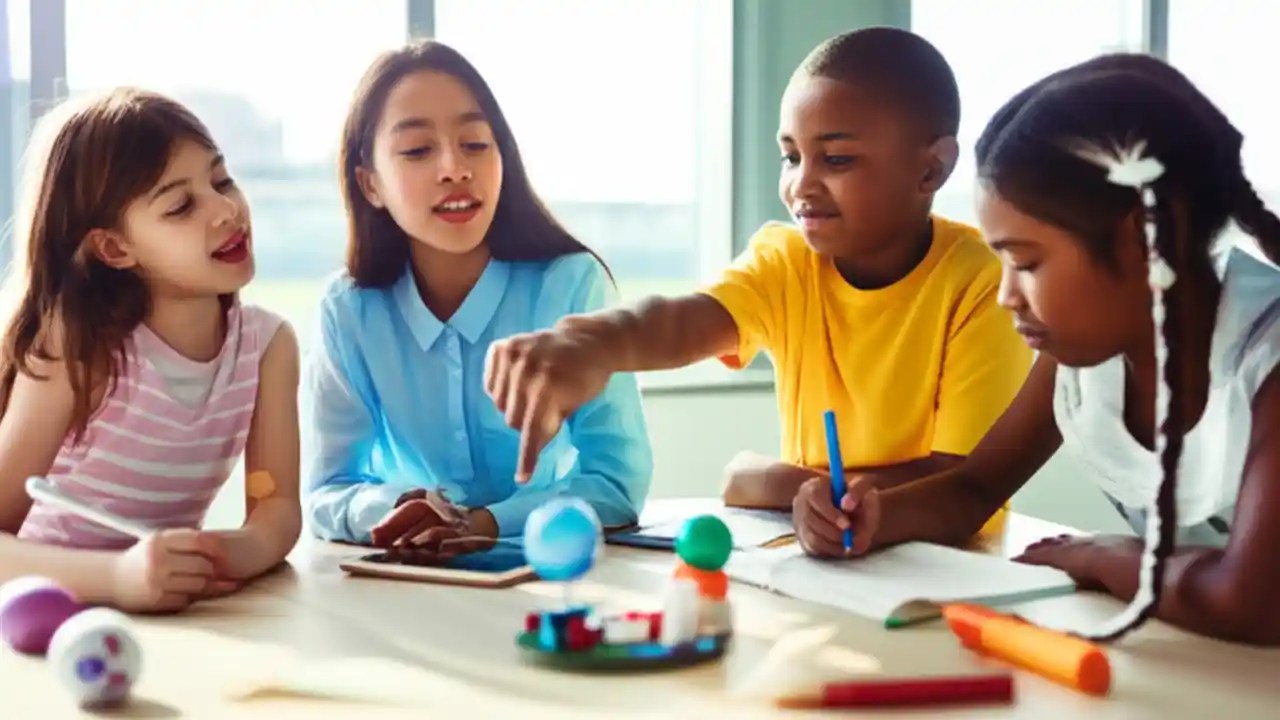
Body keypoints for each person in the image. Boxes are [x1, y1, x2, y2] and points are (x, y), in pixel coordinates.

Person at [483, 28, 1031, 537]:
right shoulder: (786, 260)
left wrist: (774, 483)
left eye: (836, 159)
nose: (800, 185)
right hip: (825, 566)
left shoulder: (982, 283)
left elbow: (961, 487)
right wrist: (595, 342)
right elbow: (685, 322)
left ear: (931, 171)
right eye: (791, 156)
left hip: (954, 576)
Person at [809, 54, 1280, 645]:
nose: (1007, 296)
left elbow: (1250, 602)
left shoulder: (1268, 358)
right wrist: (870, 516)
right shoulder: (1088, 351)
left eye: (1027, 262)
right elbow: (974, 487)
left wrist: (1110, 557)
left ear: (1144, 238)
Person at [304, 40, 653, 551]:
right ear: (370, 184)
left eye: (475, 143)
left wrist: (484, 524)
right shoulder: (347, 310)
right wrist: (400, 510)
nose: (454, 168)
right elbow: (326, 490)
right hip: (402, 579)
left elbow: (616, 483)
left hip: (549, 567)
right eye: (418, 150)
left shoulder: (571, 284)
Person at [0, 88, 301, 613]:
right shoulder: (77, 349)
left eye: (222, 179)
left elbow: (274, 506)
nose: (226, 208)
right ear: (115, 248)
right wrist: (118, 578)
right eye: (182, 205)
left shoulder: (267, 348)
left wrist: (230, 552)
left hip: (167, 616)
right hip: (53, 613)